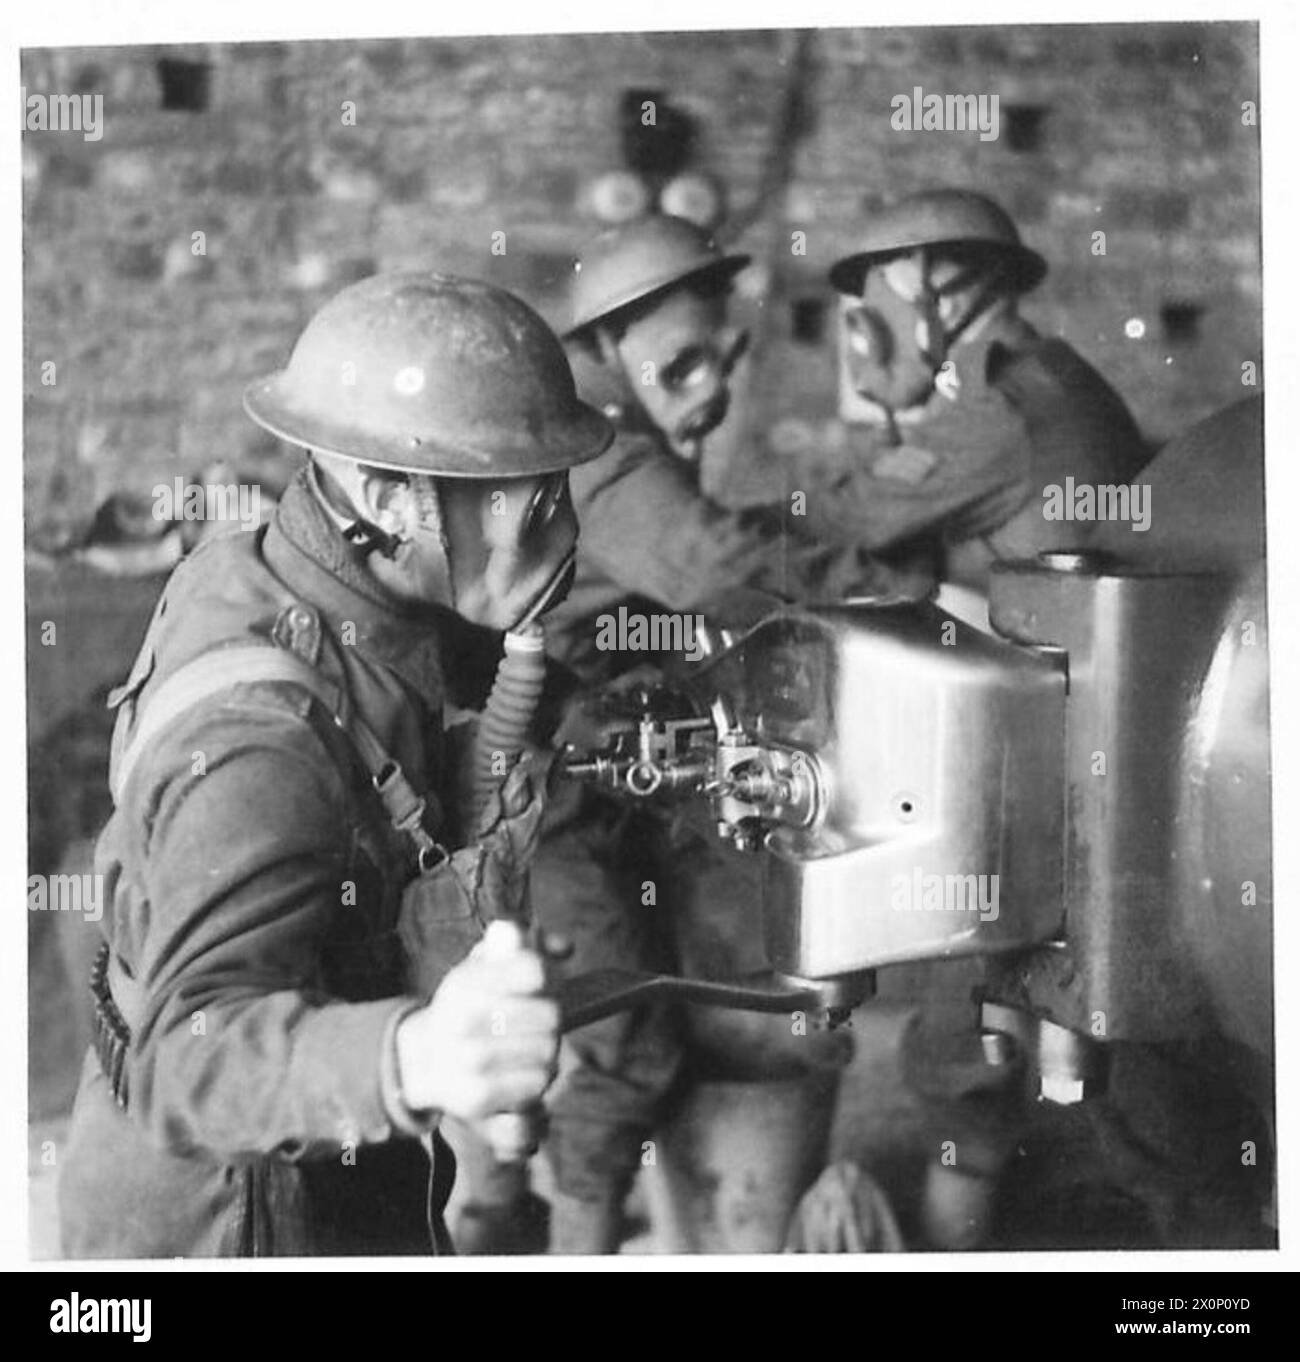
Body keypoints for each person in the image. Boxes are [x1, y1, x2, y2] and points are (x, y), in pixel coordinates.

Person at [57, 271, 613, 1257]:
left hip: (336, 1130)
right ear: (393, 498)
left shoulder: (306, 567)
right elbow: (188, 1061)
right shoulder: (257, 737)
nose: (555, 524)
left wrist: (608, 708)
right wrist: (420, 1055)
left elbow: (426, 671)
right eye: (523, 494)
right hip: (239, 1196)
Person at [529, 215, 928, 1254]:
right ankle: (553, 1245)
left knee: (691, 994)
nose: (710, 385)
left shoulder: (618, 441)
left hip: (605, 767)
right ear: (606, 349)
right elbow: (722, 569)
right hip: (546, 793)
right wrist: (902, 591)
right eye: (682, 361)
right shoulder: (609, 461)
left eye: (726, 356)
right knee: (620, 1042)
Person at [823, 187, 1148, 593]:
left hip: (1043, 643)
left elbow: (854, 520)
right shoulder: (1039, 370)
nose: (875, 326)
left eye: (884, 291)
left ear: (944, 300)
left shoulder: (1001, 399)